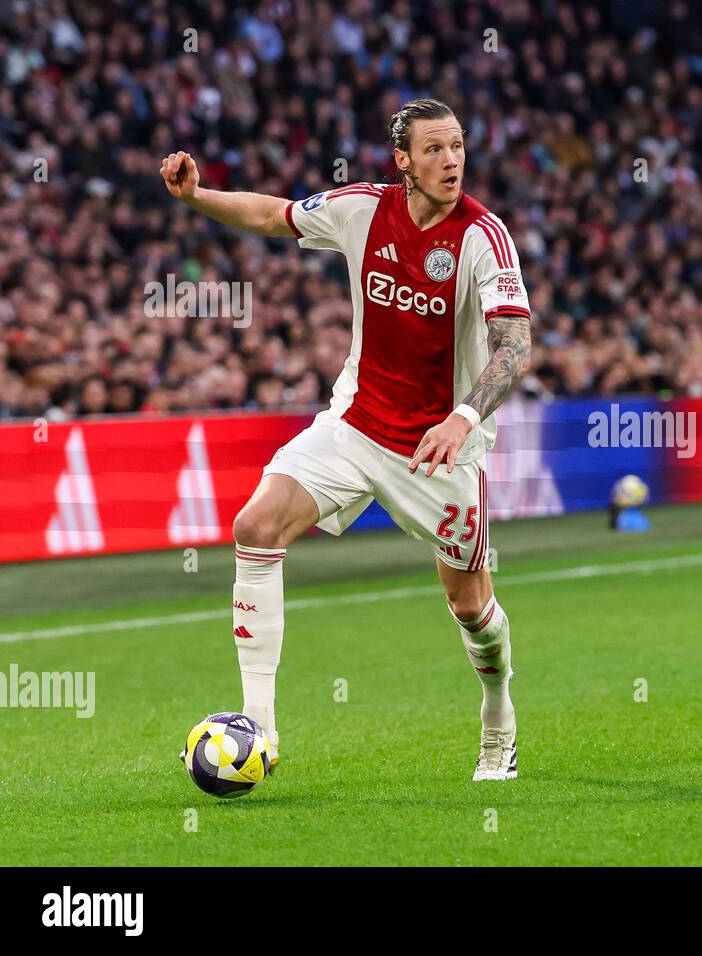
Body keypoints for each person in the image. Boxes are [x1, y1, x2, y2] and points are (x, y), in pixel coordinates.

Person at [160, 98, 530, 780]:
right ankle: (259, 733)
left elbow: (513, 345)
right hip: (355, 426)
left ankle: (498, 713)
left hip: (440, 451)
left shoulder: (484, 237)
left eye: (458, 147)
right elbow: (274, 215)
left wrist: (463, 418)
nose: (451, 160)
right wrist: (197, 196)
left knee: (470, 607)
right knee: (256, 524)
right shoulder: (362, 209)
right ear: (403, 161)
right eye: (434, 149)